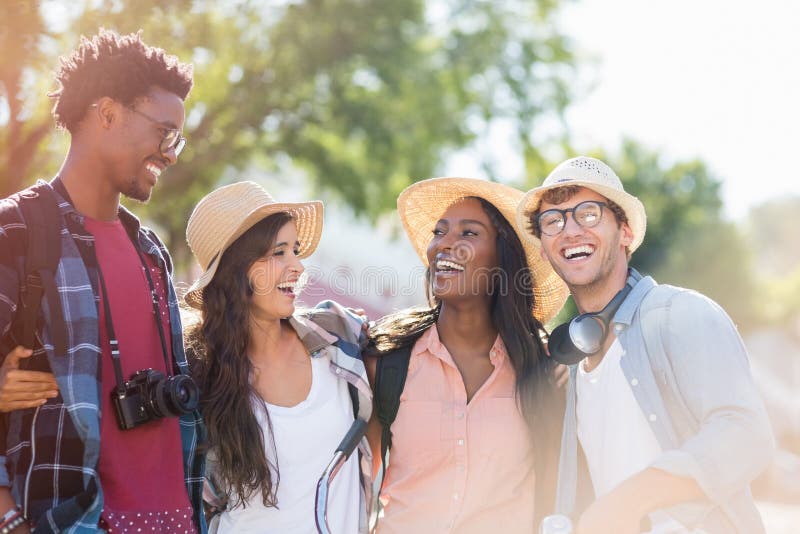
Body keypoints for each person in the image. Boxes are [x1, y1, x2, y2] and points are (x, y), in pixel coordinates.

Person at [0, 30, 206, 532]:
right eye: (164, 133)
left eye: (177, 139)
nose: (171, 153)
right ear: (108, 114)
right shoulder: (17, 231)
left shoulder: (152, 251)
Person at [517, 156, 775, 534]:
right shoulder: (573, 359)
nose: (570, 229)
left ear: (625, 232)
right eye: (553, 221)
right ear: (544, 249)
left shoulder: (681, 312)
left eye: (588, 214)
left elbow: (746, 433)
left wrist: (630, 499)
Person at [366, 177, 569, 533]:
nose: (444, 245)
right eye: (439, 232)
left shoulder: (543, 371)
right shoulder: (387, 361)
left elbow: (558, 488)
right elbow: (354, 485)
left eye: (469, 234)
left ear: (503, 259)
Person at [183, 181, 373, 534]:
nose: (298, 267)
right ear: (237, 269)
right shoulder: (199, 379)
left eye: (296, 250)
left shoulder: (338, 338)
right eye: (279, 252)